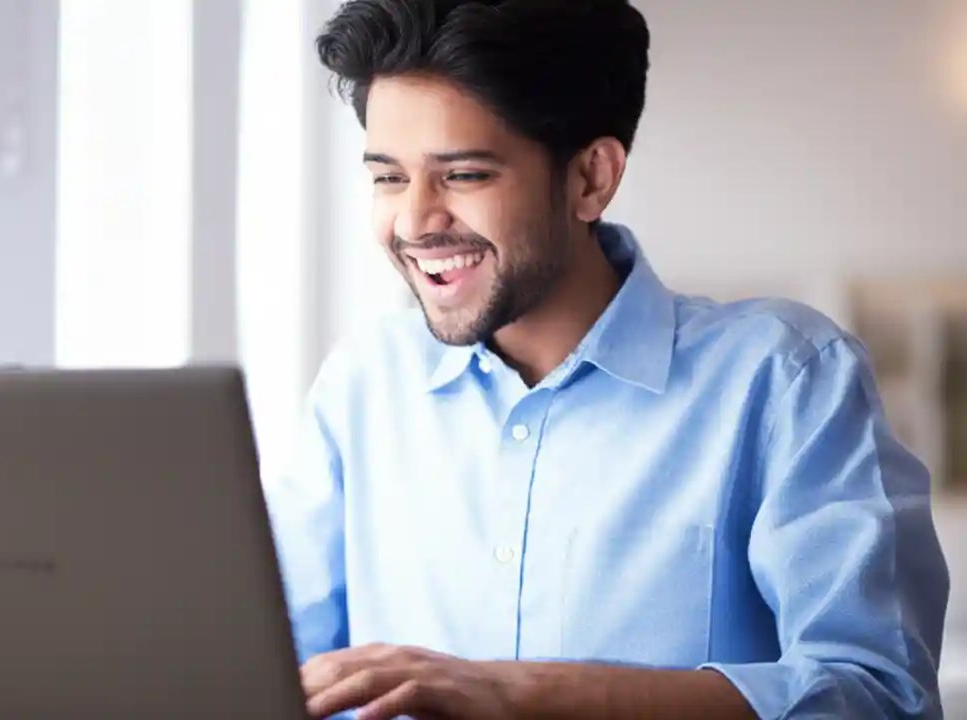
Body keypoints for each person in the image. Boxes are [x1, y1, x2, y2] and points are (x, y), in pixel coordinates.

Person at [260, 1, 951, 718]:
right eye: (388, 178)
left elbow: (881, 697)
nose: (413, 222)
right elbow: (266, 667)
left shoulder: (784, 378)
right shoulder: (365, 381)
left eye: (463, 176)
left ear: (591, 178)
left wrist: (519, 693)